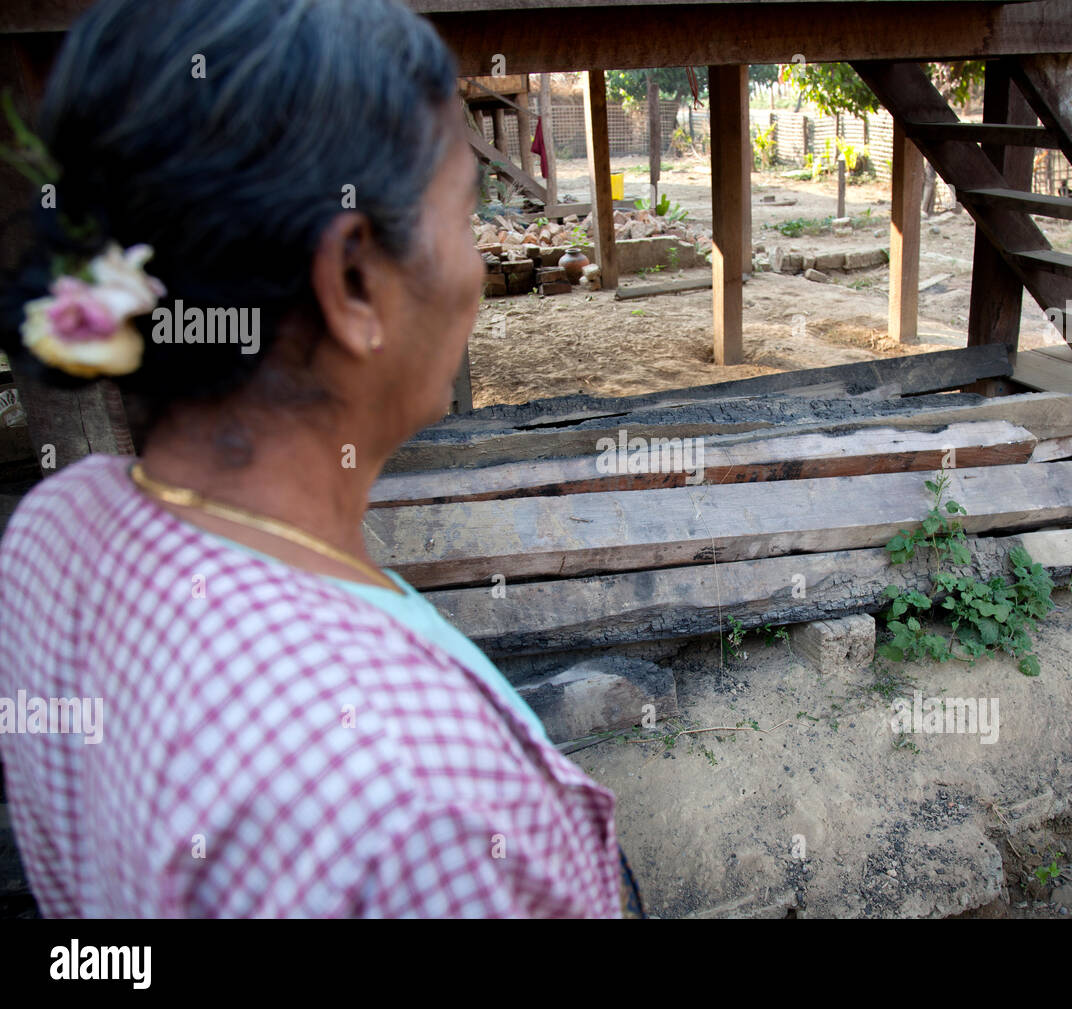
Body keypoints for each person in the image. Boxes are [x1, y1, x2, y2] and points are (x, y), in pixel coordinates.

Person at [0, 0, 636, 917]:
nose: (471, 265)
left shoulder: (59, 528)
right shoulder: (422, 811)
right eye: (466, 209)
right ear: (351, 281)